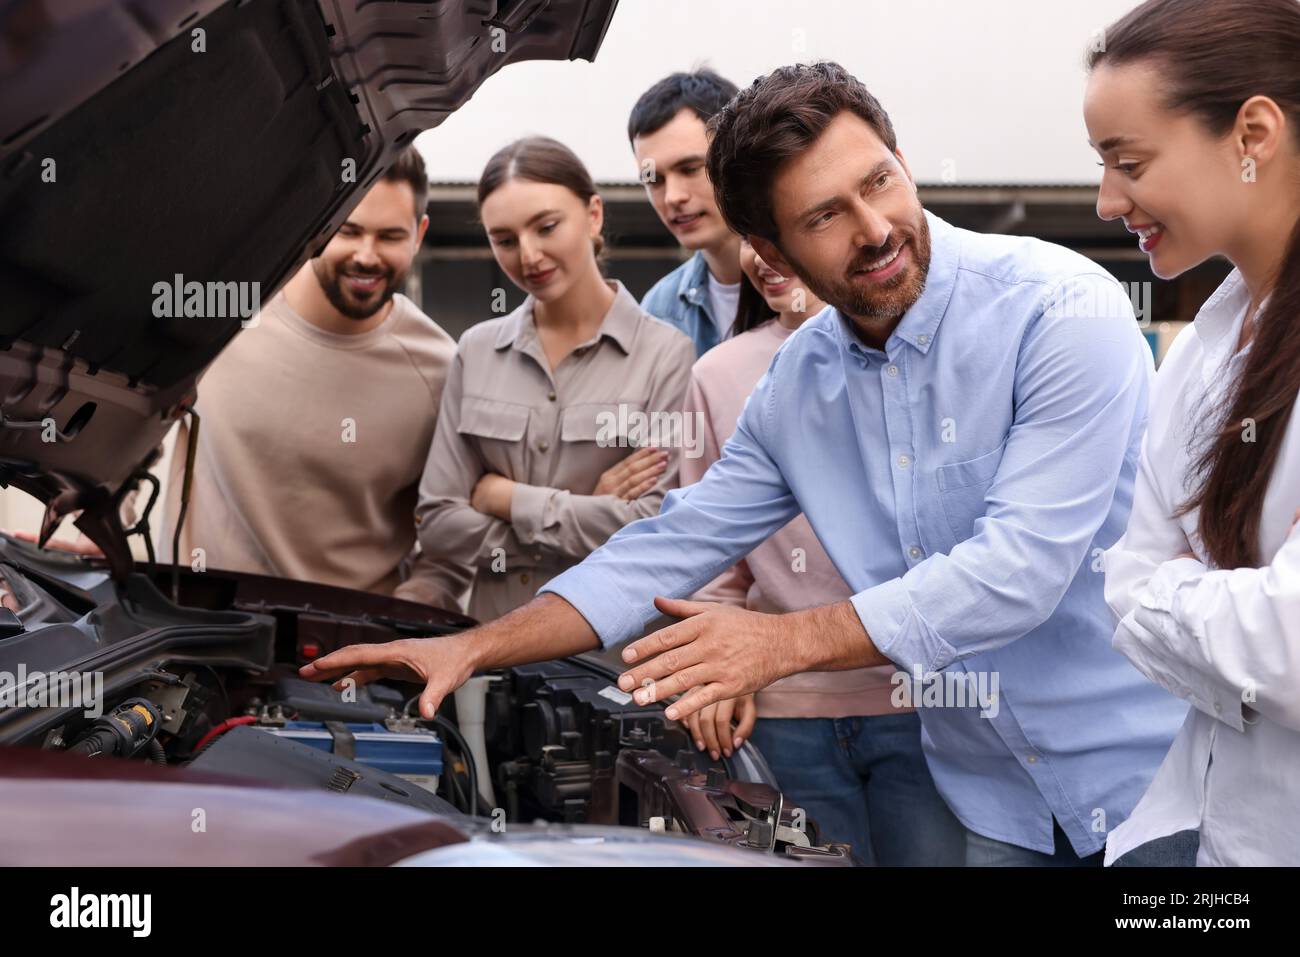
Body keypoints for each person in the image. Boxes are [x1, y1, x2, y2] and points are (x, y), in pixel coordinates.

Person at [302, 62, 1188, 867]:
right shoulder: (794, 388)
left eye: (879, 181)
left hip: (1152, 784)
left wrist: (778, 643)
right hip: (998, 806)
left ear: (903, 160)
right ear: (770, 250)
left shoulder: (1062, 310)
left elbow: (1017, 572)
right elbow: (670, 543)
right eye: (824, 217)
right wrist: (473, 645)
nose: (875, 228)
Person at [1085, 0, 1300, 867]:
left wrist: (1170, 597)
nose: (1105, 200)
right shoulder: (1202, 352)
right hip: (1211, 841)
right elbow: (1123, 580)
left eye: (1127, 161)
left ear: (1252, 133)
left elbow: (1289, 645)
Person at [681, 238, 964, 865]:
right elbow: (711, 560)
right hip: (782, 711)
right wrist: (719, 670)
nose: (764, 253)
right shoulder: (717, 375)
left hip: (922, 703)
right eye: (748, 234)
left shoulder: (926, 355)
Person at [159, 147, 469, 608]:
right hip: (190, 630)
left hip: (344, 654)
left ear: (419, 235)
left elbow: (451, 549)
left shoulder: (443, 370)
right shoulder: (218, 315)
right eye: (349, 231)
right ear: (317, 221)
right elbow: (133, 428)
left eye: (389, 236)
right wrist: (111, 539)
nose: (366, 256)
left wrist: (396, 631)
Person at [408, 136, 695, 623]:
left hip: (609, 662)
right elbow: (437, 523)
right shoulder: (475, 352)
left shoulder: (668, 357)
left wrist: (507, 499)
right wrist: (586, 511)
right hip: (491, 657)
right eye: (504, 239)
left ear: (594, 215)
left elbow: (657, 528)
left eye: (546, 227)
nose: (528, 255)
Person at [632, 70, 744, 356]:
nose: (672, 197)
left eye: (690, 169)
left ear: (738, 158)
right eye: (653, 180)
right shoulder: (658, 310)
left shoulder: (812, 290)